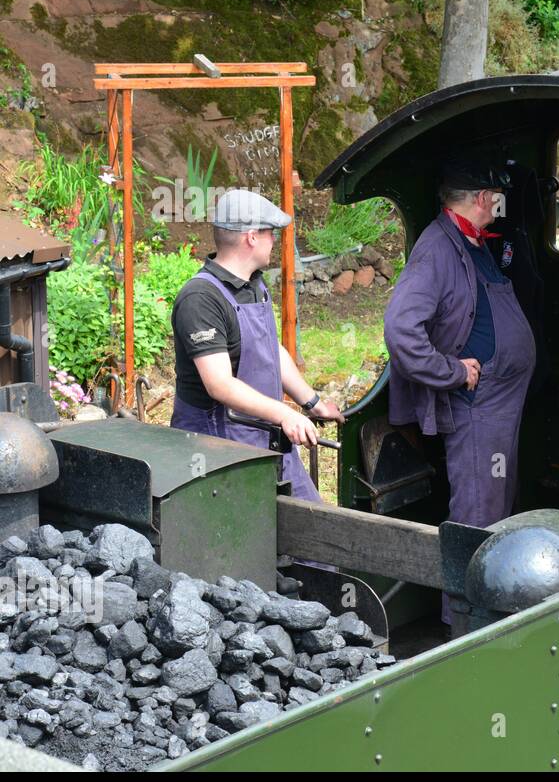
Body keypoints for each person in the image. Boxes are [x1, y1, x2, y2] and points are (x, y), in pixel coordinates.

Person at [384, 157, 537, 554]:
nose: (501, 203)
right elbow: (401, 329)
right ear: (483, 198)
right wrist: (450, 371)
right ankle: (465, 593)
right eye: (498, 196)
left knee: (497, 504)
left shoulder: (472, 241)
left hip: (500, 403)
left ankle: (493, 587)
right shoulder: (437, 250)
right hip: (477, 405)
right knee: (478, 513)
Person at [170, 189, 343, 501]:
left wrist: (312, 403)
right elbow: (220, 385)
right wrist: (284, 414)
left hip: (265, 434)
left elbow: (270, 350)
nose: (274, 241)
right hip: (215, 448)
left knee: (312, 520)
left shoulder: (254, 285)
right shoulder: (201, 299)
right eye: (270, 233)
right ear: (251, 237)